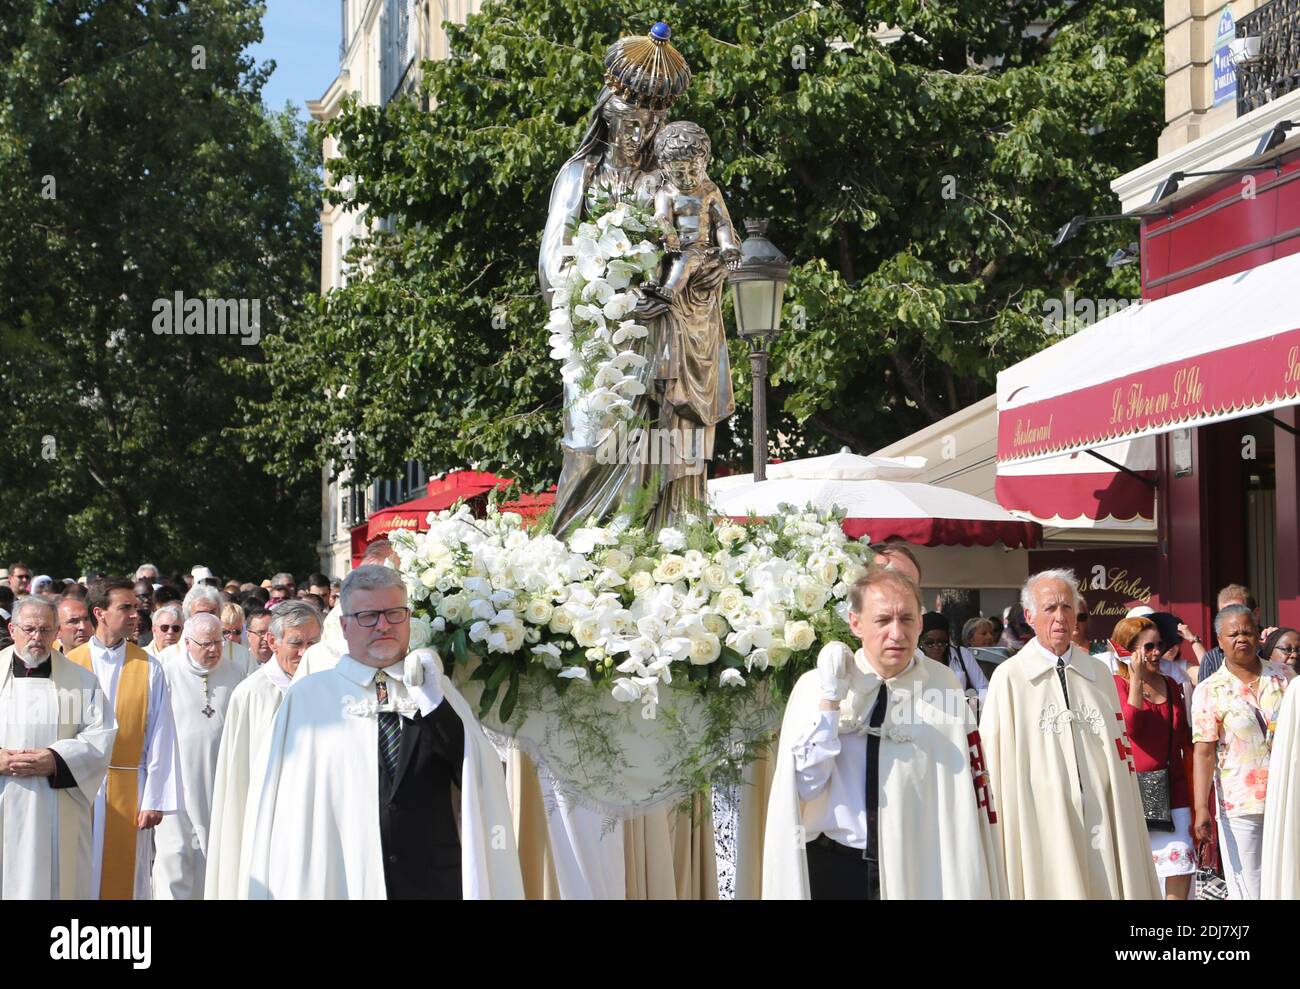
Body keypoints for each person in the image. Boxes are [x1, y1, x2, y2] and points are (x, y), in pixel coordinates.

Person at [244, 565, 523, 899]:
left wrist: (436, 707)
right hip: (343, 878)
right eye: (368, 616)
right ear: (345, 626)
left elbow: (477, 778)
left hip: (431, 882)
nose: (383, 626)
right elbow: (283, 809)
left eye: (394, 614)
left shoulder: (437, 691)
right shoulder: (308, 699)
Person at [762, 569, 1004, 899]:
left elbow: (961, 797)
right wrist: (830, 701)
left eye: (906, 619)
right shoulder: (817, 686)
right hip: (836, 867)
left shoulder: (942, 685)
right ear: (856, 623)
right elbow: (804, 786)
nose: (897, 633)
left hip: (920, 866)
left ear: (919, 624)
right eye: (883, 620)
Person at [980, 569, 1160, 898]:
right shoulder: (1010, 678)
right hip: (1042, 819)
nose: (1060, 617)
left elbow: (1119, 753)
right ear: (1029, 616)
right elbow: (996, 766)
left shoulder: (1098, 674)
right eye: (1050, 608)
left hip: (1103, 814)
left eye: (1067, 607)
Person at [64, 578, 182, 899]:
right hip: (79, 789)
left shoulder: (148, 668)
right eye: (125, 607)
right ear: (100, 613)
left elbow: (162, 734)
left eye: (135, 607)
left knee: (128, 880)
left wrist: (154, 799)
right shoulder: (70, 665)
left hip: (131, 788)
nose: (135, 615)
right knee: (77, 875)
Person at [0, 596, 116, 898]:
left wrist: (56, 759)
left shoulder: (82, 682)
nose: (37, 638)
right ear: (12, 629)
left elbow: (100, 737)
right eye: (29, 629)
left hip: (56, 806)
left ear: (56, 633)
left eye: (45, 630)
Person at [205, 601, 321, 899]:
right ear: (272, 641)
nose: (305, 653)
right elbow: (238, 784)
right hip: (267, 830)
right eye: (296, 643)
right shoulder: (252, 695)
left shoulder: (328, 690)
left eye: (313, 643)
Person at [1191, 604, 1288, 900]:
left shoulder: (1286, 678)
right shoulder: (1209, 690)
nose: (1241, 638)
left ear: (1259, 635)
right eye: (1233, 633)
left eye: (1248, 631)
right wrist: (1202, 808)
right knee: (1250, 886)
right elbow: (1204, 753)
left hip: (1286, 797)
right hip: (1240, 805)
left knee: (1287, 880)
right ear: (1219, 640)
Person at [151, 613, 248, 900]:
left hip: (221, 782)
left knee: (217, 858)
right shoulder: (165, 670)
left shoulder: (236, 672)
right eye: (206, 644)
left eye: (219, 642)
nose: (214, 650)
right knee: (176, 856)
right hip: (175, 785)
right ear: (188, 642)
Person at [1110, 617, 1195, 899]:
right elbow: (1131, 727)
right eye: (1148, 647)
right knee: (1137, 877)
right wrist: (1135, 678)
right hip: (1132, 792)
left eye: (1159, 645)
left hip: (1174, 790)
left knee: (1181, 864)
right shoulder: (1115, 685)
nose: (1157, 653)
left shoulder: (1172, 685)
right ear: (1127, 651)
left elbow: (1183, 738)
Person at [920, 611, 989, 712]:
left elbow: (984, 688)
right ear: (920, 641)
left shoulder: (962, 655)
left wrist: (972, 704)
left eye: (941, 642)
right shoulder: (914, 660)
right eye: (929, 643)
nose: (936, 647)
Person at [1196, 585, 1260, 682]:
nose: (1233, 618)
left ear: (1255, 614)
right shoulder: (1211, 659)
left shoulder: (1272, 648)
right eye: (1225, 613)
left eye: (1238, 611)